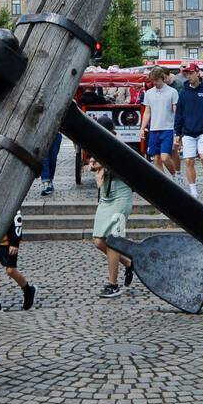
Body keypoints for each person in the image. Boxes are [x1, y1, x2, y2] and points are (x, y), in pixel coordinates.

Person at [90, 117, 134, 299]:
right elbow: (93, 163)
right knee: (98, 241)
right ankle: (129, 263)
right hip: (107, 197)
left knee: (112, 241)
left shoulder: (118, 145)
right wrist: (94, 164)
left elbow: (113, 164)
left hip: (121, 195)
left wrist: (98, 164)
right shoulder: (98, 144)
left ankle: (113, 284)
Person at [173, 62, 203, 200]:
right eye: (186, 74)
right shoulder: (183, 92)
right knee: (188, 161)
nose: (189, 76)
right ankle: (193, 189)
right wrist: (177, 133)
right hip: (188, 132)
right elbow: (179, 114)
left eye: (191, 73)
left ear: (198, 73)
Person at [0, 210, 38, 313]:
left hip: (8, 242)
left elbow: (17, 218)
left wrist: (15, 242)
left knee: (10, 271)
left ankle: (29, 291)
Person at [142, 67, 178, 177]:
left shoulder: (172, 92)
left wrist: (177, 130)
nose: (154, 83)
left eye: (156, 80)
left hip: (168, 128)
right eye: (153, 81)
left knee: (165, 157)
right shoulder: (149, 93)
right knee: (156, 159)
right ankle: (164, 182)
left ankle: (175, 176)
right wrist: (142, 128)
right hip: (154, 129)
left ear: (162, 78)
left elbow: (176, 112)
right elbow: (147, 111)